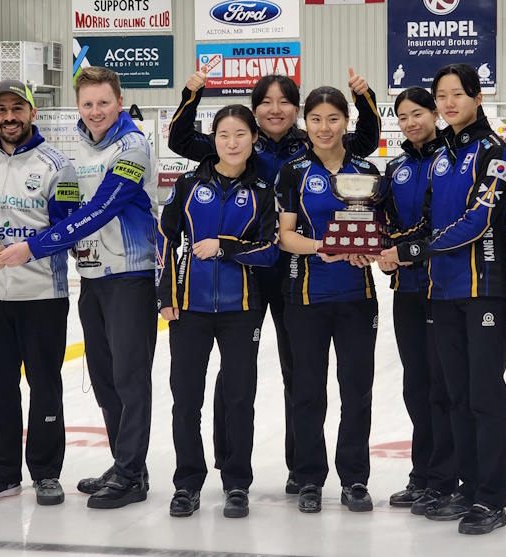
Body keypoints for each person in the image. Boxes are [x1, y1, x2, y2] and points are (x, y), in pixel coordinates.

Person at [168, 68, 380, 494]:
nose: (275, 109)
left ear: (297, 110)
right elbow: (179, 141)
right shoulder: (240, 138)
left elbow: (365, 142)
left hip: (294, 274)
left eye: (285, 102)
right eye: (266, 101)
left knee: (296, 372)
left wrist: (365, 98)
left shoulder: (310, 143)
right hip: (243, 274)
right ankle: (230, 462)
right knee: (234, 372)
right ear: (254, 109)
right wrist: (191, 93)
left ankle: (298, 466)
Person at [0, 67, 158, 510]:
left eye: (104, 102)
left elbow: (103, 207)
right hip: (92, 277)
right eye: (87, 104)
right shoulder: (80, 146)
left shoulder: (133, 145)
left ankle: (131, 476)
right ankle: (126, 463)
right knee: (104, 381)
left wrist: (36, 245)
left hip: (129, 276)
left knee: (129, 378)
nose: (96, 111)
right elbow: (69, 209)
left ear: (119, 103)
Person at [381, 63, 506, 536]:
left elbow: (478, 221)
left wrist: (410, 250)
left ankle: (492, 497)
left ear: (478, 98)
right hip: (442, 292)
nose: (448, 103)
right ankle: (467, 485)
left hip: (484, 290)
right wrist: (389, 248)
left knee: (484, 394)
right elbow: (426, 222)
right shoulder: (442, 158)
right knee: (456, 395)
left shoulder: (494, 152)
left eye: (457, 94)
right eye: (442, 96)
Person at [157, 105, 279, 519]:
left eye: (241, 134)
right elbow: (164, 237)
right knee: (185, 399)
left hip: (241, 310)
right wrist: (166, 294)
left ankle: (237, 483)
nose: (232, 143)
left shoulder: (264, 189)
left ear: (253, 140)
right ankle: (187, 482)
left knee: (240, 398)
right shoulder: (189, 183)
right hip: (188, 308)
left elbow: (270, 250)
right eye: (224, 135)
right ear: (213, 139)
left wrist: (225, 245)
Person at [0, 79, 80, 506]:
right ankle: (1, 473)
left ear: (32, 112)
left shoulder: (56, 165)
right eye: (1, 109)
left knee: (45, 385)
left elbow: (67, 228)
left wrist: (27, 250)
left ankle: (47, 473)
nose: (9, 117)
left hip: (42, 294)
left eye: (18, 108)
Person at [275, 86, 381, 514]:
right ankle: (308, 477)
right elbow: (284, 237)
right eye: (316, 119)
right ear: (305, 123)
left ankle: (355, 478)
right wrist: (324, 248)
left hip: (358, 296)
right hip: (306, 297)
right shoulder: (292, 171)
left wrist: (367, 249)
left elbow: (378, 230)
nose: (324, 127)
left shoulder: (367, 170)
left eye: (333, 119)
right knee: (307, 392)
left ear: (346, 122)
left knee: (357, 391)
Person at [380, 87, 456, 515]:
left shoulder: (451, 159)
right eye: (403, 116)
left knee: (440, 387)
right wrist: (378, 249)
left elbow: (439, 220)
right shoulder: (396, 167)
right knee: (416, 386)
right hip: (406, 288)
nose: (411, 122)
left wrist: (399, 249)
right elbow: (383, 219)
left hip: (444, 286)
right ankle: (422, 475)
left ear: (434, 113)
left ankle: (444, 479)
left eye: (418, 113)